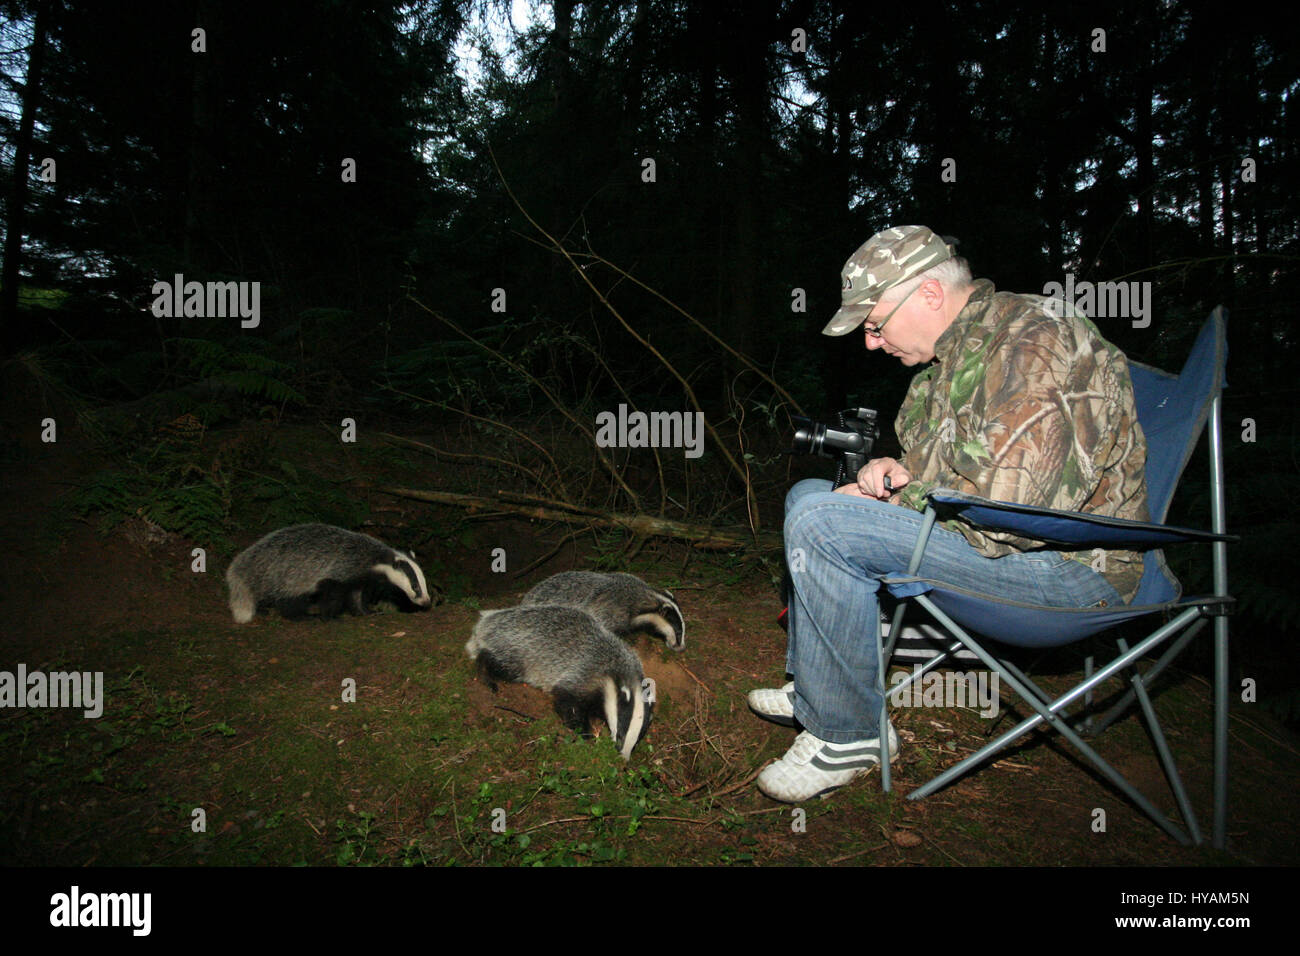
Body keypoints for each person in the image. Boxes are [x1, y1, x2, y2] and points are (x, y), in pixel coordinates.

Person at [751, 225, 1151, 803]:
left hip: (1065, 574)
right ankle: (823, 684)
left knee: (823, 522)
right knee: (810, 497)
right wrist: (891, 480)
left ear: (929, 295)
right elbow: (942, 480)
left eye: (874, 323)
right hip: (992, 547)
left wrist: (901, 498)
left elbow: (1014, 505)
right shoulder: (939, 374)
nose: (870, 342)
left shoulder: (1034, 338)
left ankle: (849, 734)